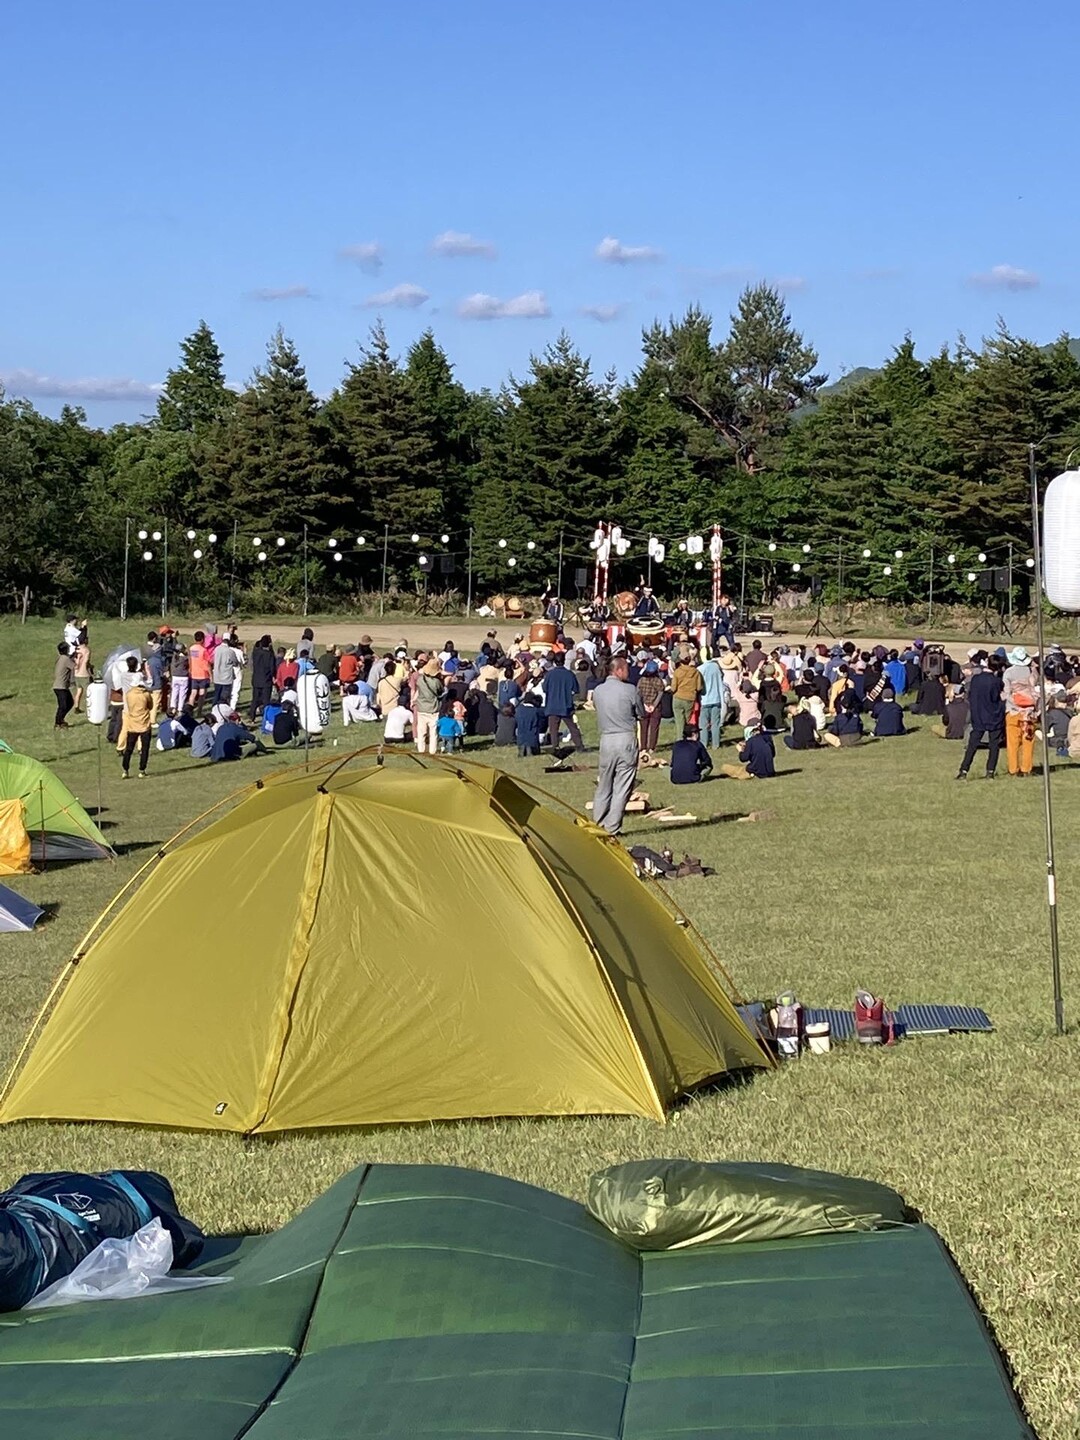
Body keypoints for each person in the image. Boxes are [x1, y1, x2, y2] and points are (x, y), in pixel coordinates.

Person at [592, 657, 643, 836]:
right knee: (622, 785)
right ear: (619, 670)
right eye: (626, 669)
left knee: (604, 783)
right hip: (625, 738)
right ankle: (612, 827)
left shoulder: (598, 691)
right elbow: (640, 712)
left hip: (606, 739)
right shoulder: (629, 689)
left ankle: (597, 823)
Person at [957, 657, 1005, 780]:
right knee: (994, 745)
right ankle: (990, 771)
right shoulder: (997, 682)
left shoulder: (976, 679)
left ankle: (964, 770)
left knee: (972, 744)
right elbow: (997, 697)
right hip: (994, 715)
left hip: (978, 715)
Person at [1002, 646, 1037, 777]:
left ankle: (1013, 769)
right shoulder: (1032, 672)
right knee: (1028, 740)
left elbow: (1006, 692)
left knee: (1012, 742)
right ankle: (1026, 768)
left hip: (1013, 710)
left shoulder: (1008, 673)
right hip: (1029, 712)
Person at [542, 652, 584, 752]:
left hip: (552, 705)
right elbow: (576, 690)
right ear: (564, 661)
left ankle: (555, 746)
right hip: (566, 705)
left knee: (553, 729)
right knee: (572, 727)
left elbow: (544, 688)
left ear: (555, 662)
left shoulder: (549, 675)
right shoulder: (570, 674)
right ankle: (579, 746)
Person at [120, 677, 154, 778]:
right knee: (145, 749)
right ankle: (142, 770)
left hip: (132, 724)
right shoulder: (146, 694)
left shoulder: (129, 694)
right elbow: (150, 706)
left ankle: (125, 770)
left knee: (129, 749)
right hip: (144, 725)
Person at [414, 657, 444, 755]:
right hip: (433, 709)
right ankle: (432, 750)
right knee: (433, 732)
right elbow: (441, 691)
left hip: (421, 707)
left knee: (421, 731)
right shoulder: (436, 682)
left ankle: (421, 749)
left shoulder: (419, 680)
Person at [698, 650, 725, 750]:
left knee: (703, 725)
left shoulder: (700, 669)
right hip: (716, 698)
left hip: (704, 700)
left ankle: (704, 744)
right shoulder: (716, 667)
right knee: (715, 724)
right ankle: (716, 745)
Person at [636, 659, 664, 752]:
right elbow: (660, 693)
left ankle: (643, 747)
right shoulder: (658, 681)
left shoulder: (641, 680)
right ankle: (651, 747)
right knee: (654, 728)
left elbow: (638, 694)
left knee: (643, 728)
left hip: (643, 706)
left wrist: (644, 705)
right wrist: (654, 705)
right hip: (655, 708)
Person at [670, 655, 703, 735]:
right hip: (690, 698)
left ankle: (680, 738)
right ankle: (689, 736)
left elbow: (673, 687)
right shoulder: (696, 672)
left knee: (679, 721)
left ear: (681, 662)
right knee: (688, 720)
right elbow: (699, 687)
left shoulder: (677, 672)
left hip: (678, 697)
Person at [248, 635, 276, 720]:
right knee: (266, 701)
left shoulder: (256, 653)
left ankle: (252, 717)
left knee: (255, 699)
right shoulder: (269, 655)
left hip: (256, 679)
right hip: (266, 680)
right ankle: (266, 718)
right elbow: (272, 668)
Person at [212, 633, 240, 706]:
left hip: (217, 677)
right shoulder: (230, 651)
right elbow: (235, 662)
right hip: (226, 678)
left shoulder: (216, 649)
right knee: (224, 698)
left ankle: (214, 710)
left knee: (216, 696)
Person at [53, 643, 75, 729]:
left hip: (60, 686)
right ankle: (58, 722)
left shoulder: (61, 658)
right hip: (61, 686)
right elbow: (74, 667)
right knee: (64, 706)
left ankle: (60, 720)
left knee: (69, 703)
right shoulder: (66, 659)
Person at [72, 623, 91, 712]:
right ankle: (91, 708)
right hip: (84, 674)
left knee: (79, 691)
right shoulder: (86, 650)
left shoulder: (76, 650)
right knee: (89, 692)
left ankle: (76, 707)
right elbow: (86, 661)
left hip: (76, 674)